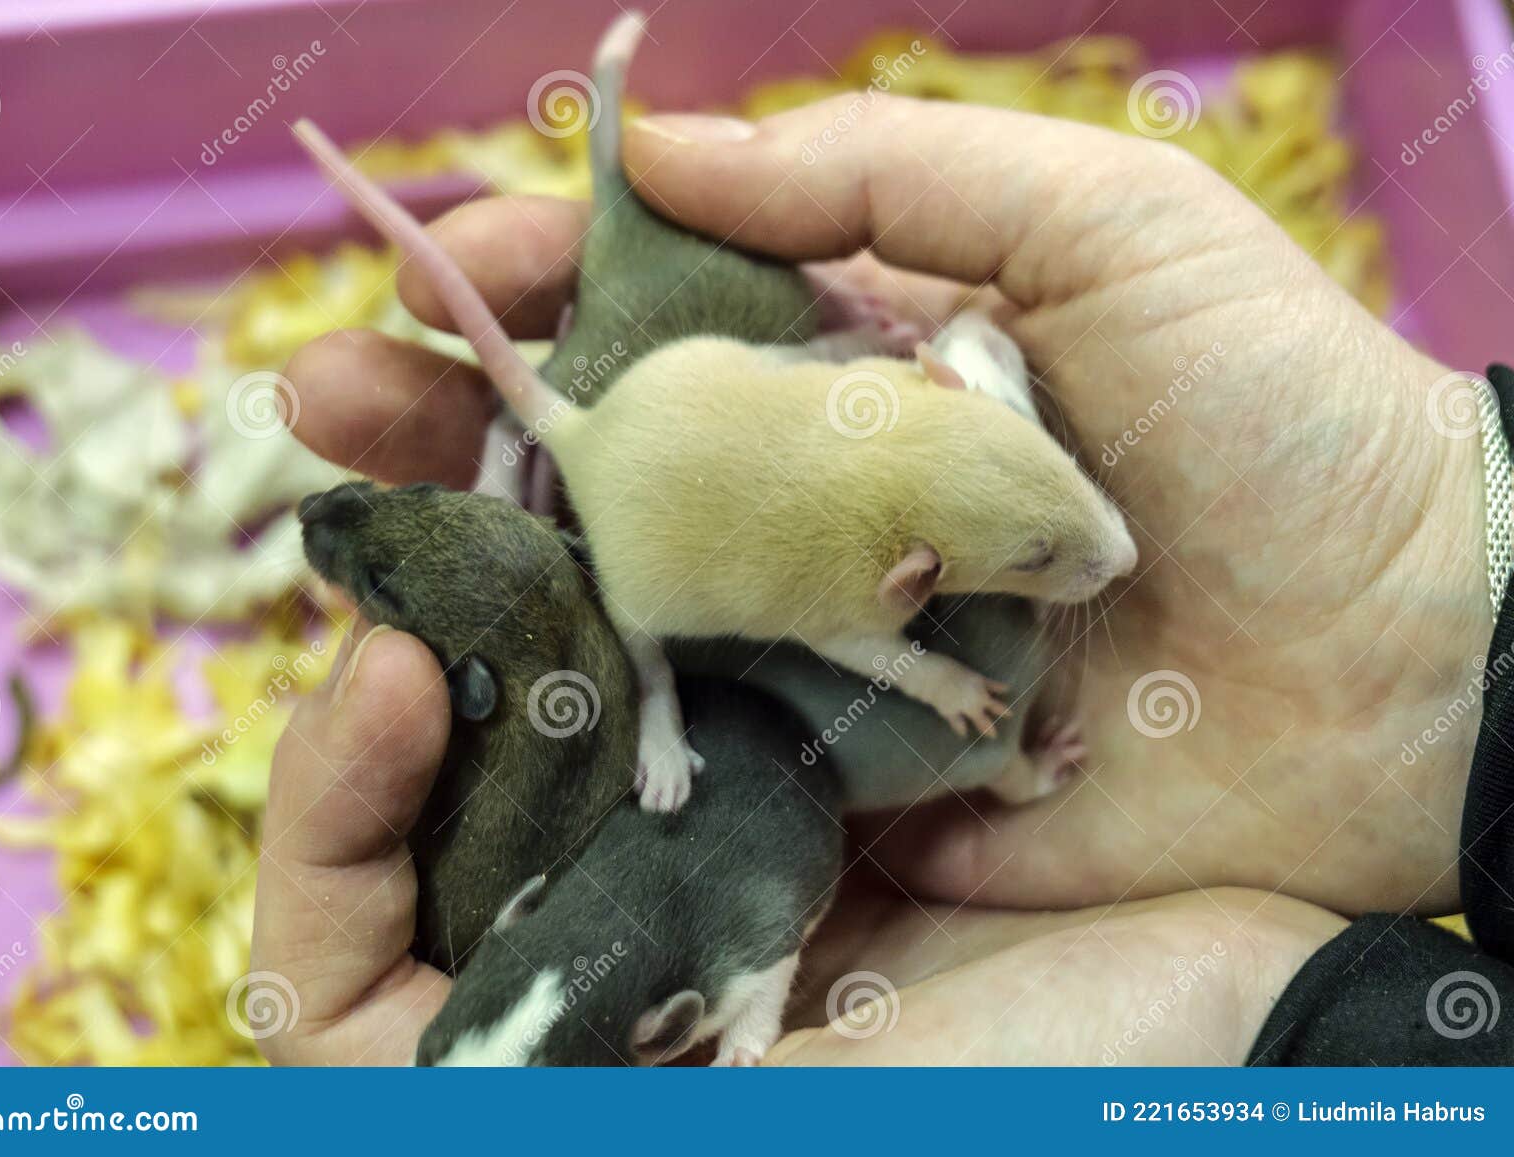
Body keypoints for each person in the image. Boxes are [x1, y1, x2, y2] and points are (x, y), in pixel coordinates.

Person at [249, 94, 1512, 1065]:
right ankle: (669, 695)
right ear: (915, 574)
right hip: (674, 544)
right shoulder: (854, 574)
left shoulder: (895, 448)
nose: (1113, 558)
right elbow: (851, 634)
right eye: (1048, 553)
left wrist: (1438, 547)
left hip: (706, 459)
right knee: (662, 603)